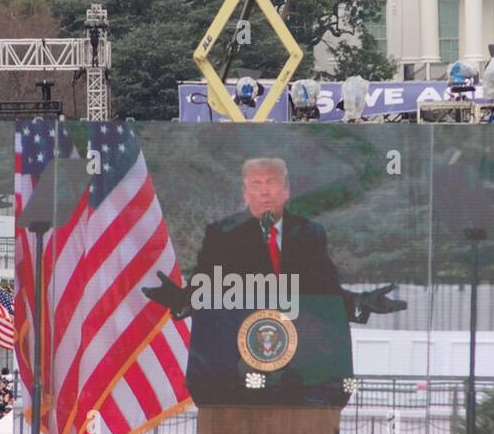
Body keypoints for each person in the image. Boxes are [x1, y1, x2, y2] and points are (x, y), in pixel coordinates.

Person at [143, 157, 406, 409]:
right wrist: (181, 300)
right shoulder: (222, 234)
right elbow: (207, 288)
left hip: (299, 363)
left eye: (272, 183)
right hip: (237, 361)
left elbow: (323, 292)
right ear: (245, 193)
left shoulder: (309, 233)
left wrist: (360, 303)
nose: (265, 192)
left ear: (286, 191)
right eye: (256, 185)